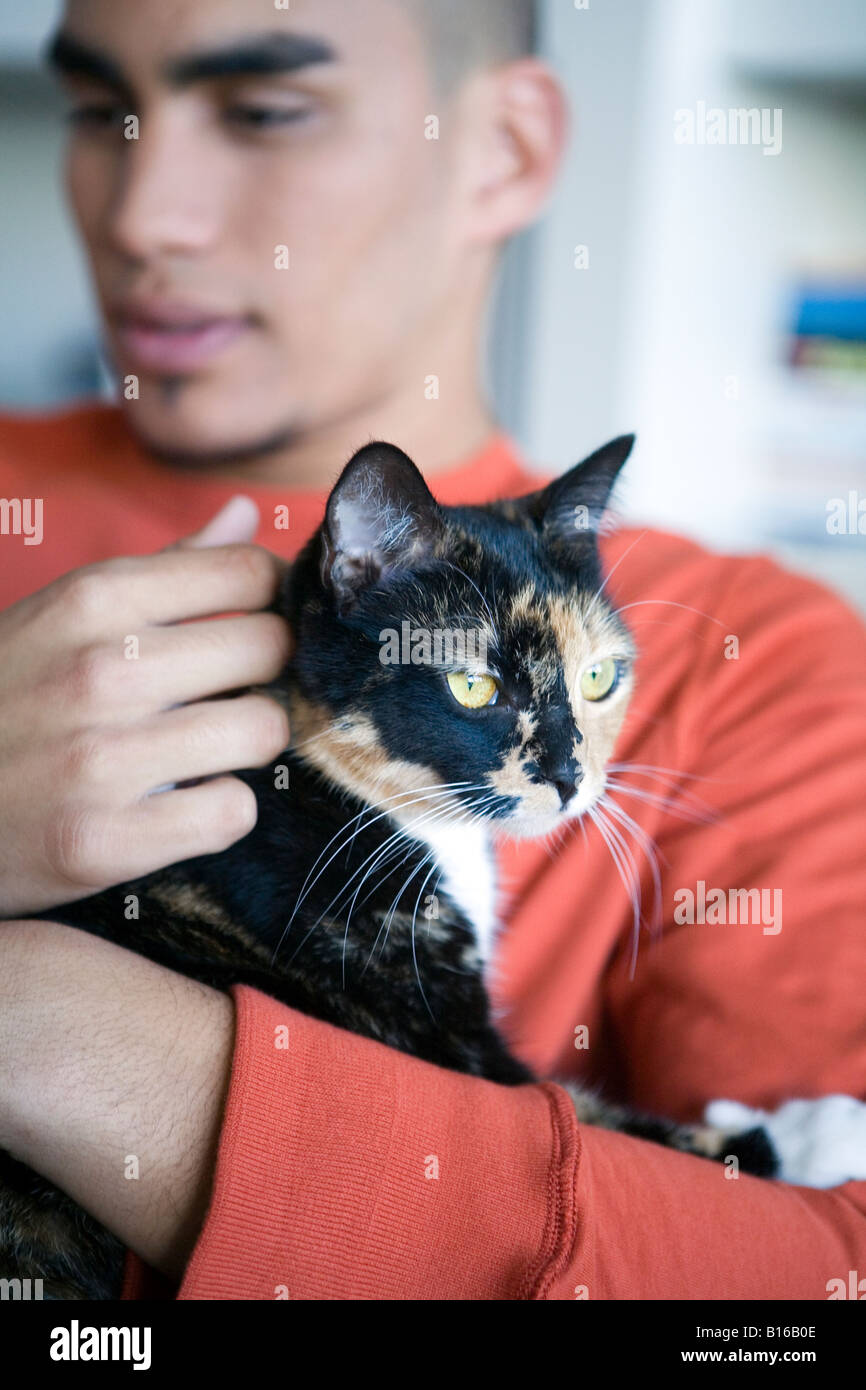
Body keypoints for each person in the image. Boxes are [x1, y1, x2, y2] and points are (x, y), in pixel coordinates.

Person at [0, 0, 864, 1300]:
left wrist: (72, 1034)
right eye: (96, 111)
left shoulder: (756, 659)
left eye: (261, 110)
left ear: (507, 149)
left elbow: (817, 1276)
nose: (142, 218)